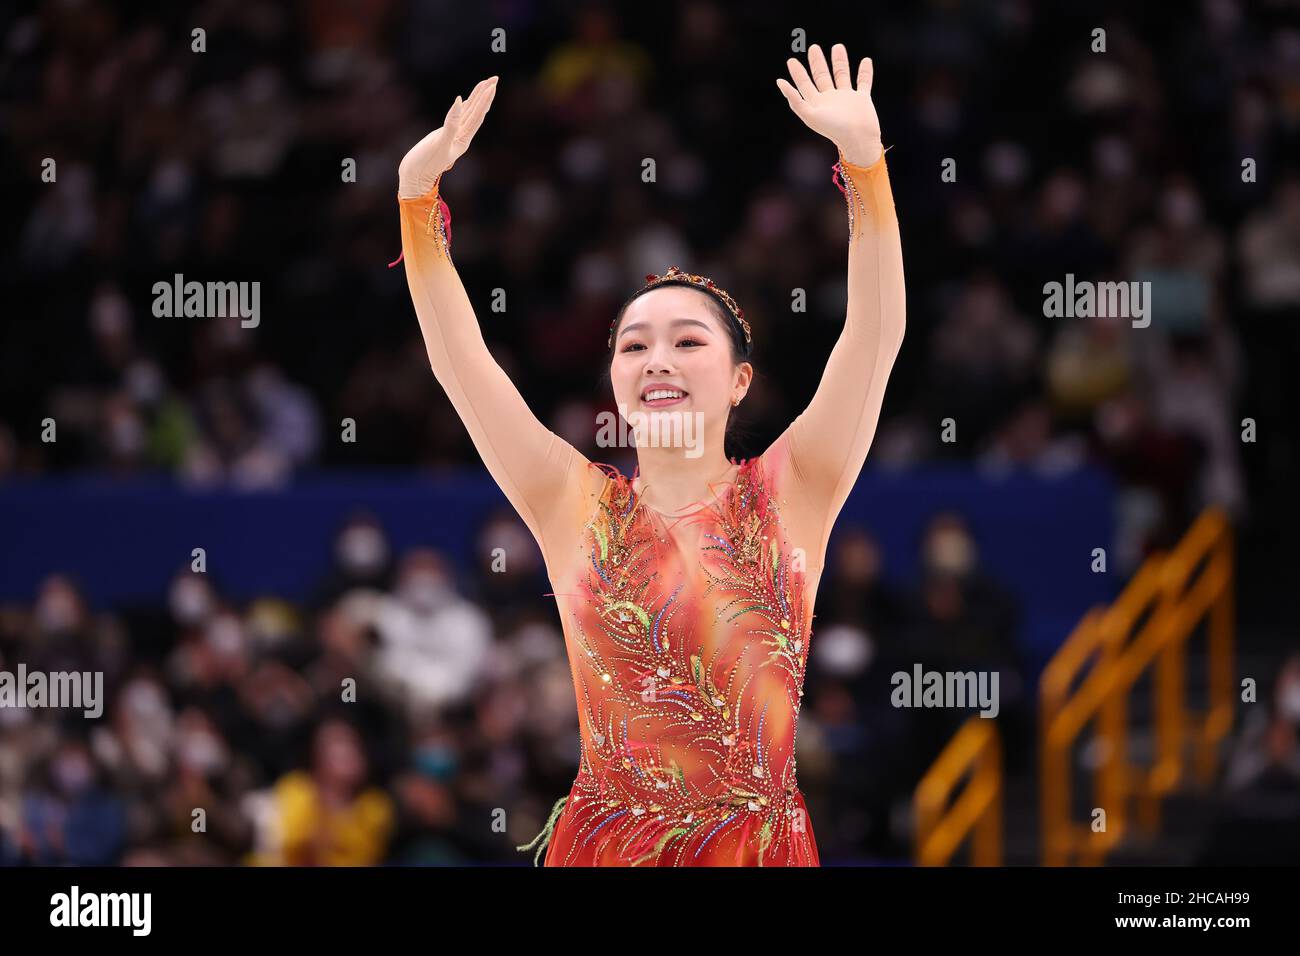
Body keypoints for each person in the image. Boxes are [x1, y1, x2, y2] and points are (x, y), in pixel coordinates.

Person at [393, 43, 904, 865]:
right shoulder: (571, 501)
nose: (656, 359)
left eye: (686, 340)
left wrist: (864, 166)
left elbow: (875, 338)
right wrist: (416, 201)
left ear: (740, 381)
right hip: (608, 847)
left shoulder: (795, 486)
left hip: (756, 849)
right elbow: (461, 365)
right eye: (634, 345)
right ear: (615, 380)